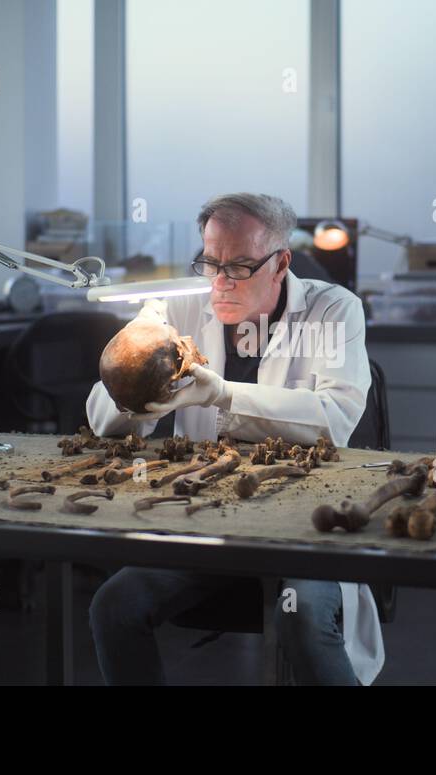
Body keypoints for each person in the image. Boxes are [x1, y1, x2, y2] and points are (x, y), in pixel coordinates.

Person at [85, 193, 381, 685]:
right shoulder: (179, 305)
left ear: (280, 262)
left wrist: (221, 394)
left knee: (303, 615)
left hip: (303, 527)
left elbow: (334, 421)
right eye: (210, 262)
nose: (219, 282)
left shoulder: (333, 310)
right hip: (208, 522)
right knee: (115, 605)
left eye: (240, 267)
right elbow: (102, 419)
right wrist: (133, 376)